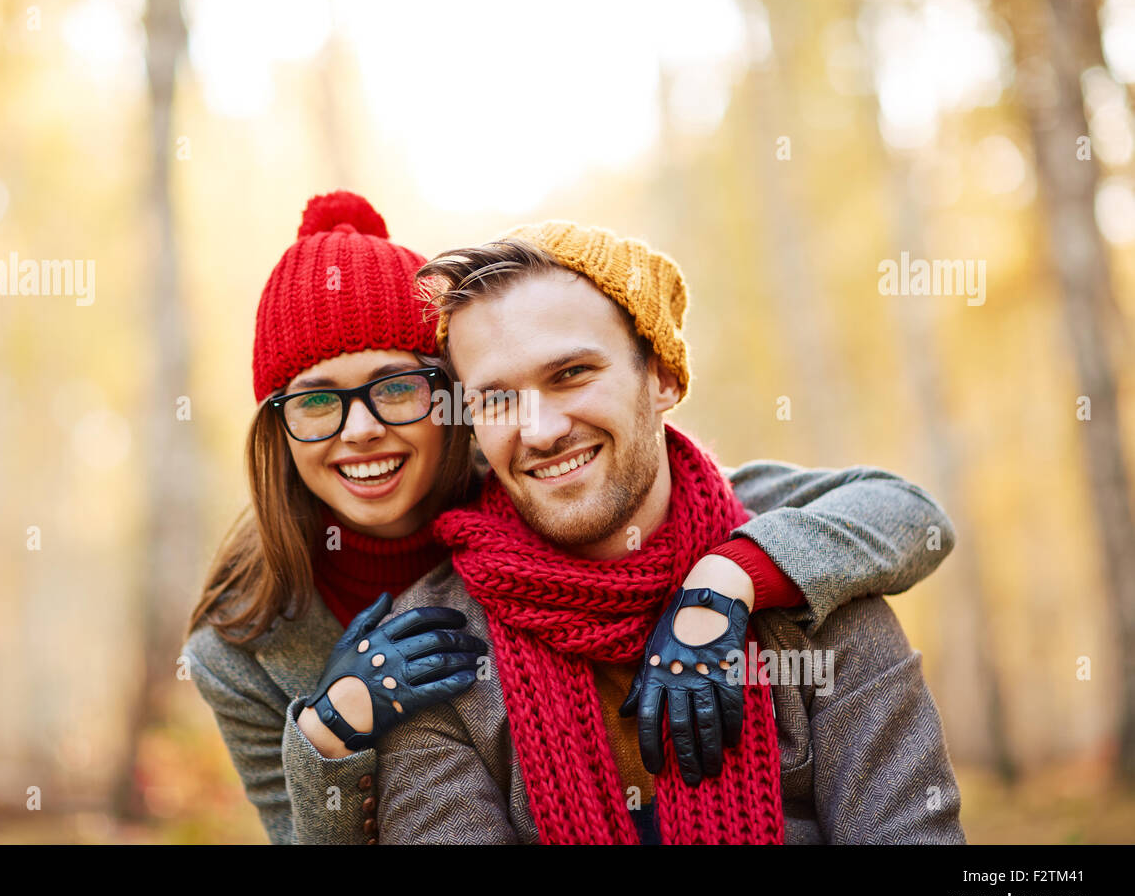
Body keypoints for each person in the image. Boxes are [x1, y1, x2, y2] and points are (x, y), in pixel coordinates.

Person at [183, 191, 957, 845]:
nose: (360, 432)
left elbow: (906, 512)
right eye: (317, 401)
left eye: (573, 374)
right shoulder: (410, 657)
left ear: (662, 377)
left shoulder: (799, 575)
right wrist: (326, 738)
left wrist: (724, 581)